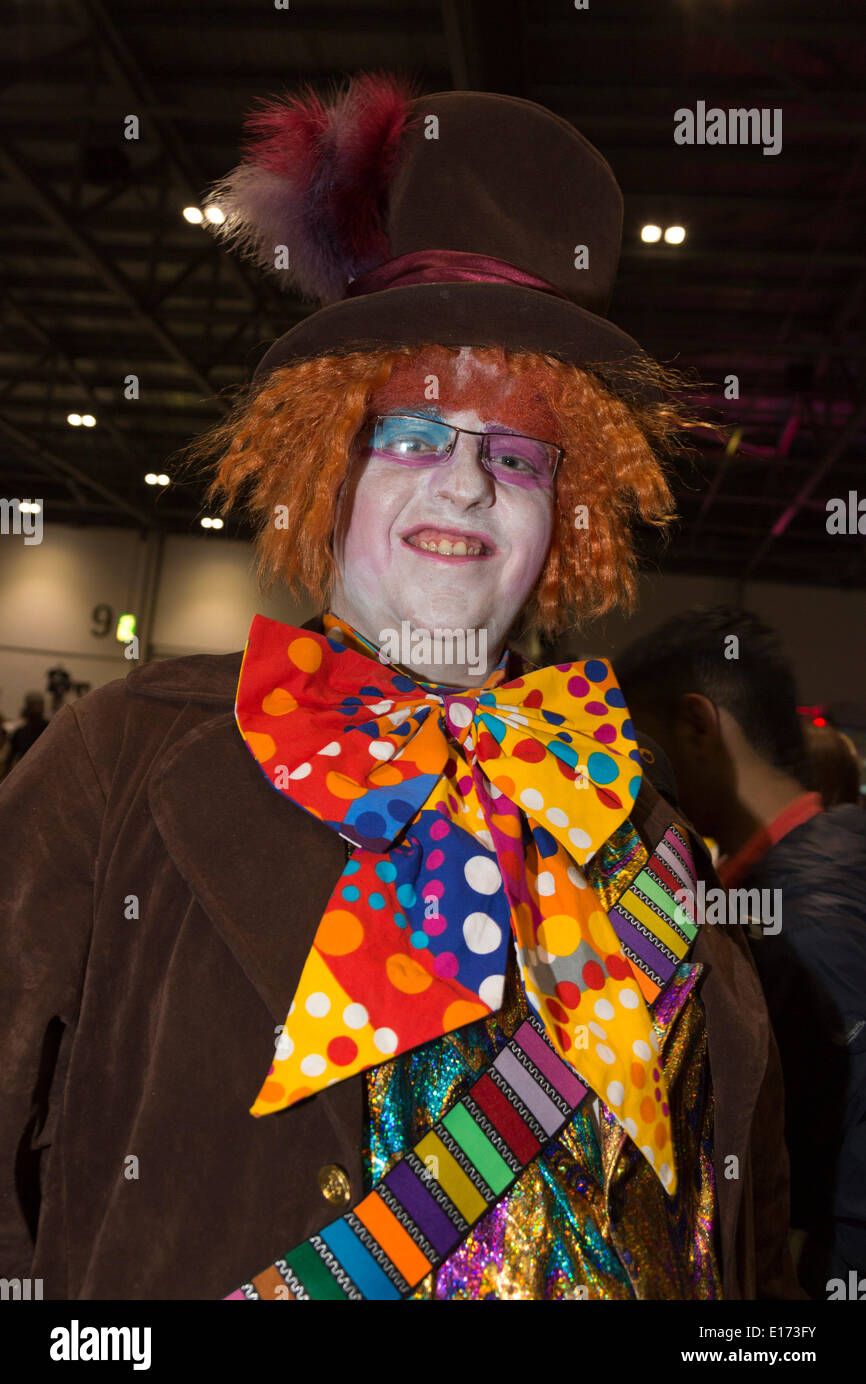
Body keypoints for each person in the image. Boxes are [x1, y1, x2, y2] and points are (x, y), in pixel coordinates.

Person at [0, 76, 800, 1302]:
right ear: (330, 464)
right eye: (415, 435)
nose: (466, 486)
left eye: (517, 456)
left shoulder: (644, 845)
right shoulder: (121, 757)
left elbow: (739, 1240)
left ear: (564, 514)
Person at [615, 604, 866, 1296]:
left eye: (641, 747)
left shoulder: (801, 919)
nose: (628, 778)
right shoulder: (830, 856)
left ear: (697, 725)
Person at [6, 692, 49, 772]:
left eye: (39, 705)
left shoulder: (50, 729)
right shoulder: (19, 733)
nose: (37, 709)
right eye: (34, 706)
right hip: (26, 772)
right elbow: (10, 758)